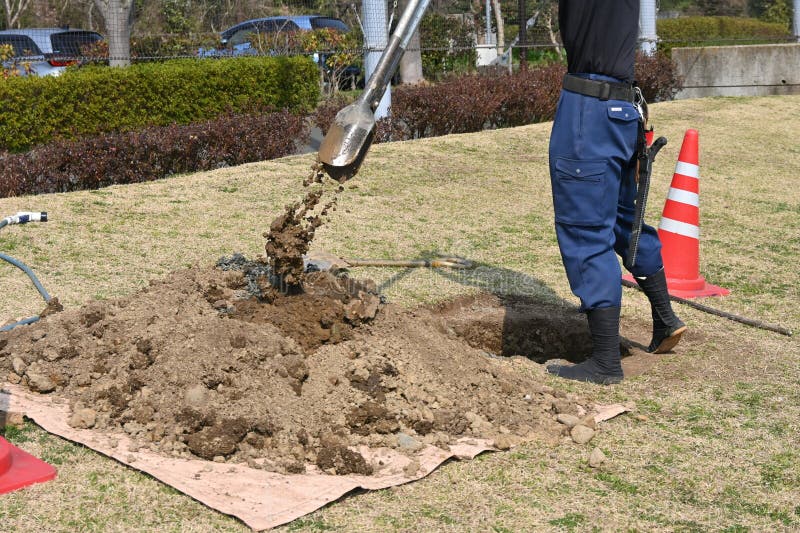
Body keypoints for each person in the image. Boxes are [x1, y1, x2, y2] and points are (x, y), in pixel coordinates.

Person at [545, 0, 686, 385]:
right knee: (627, 221)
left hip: (587, 111)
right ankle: (665, 318)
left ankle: (605, 361)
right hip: (623, 111)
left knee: (586, 231)